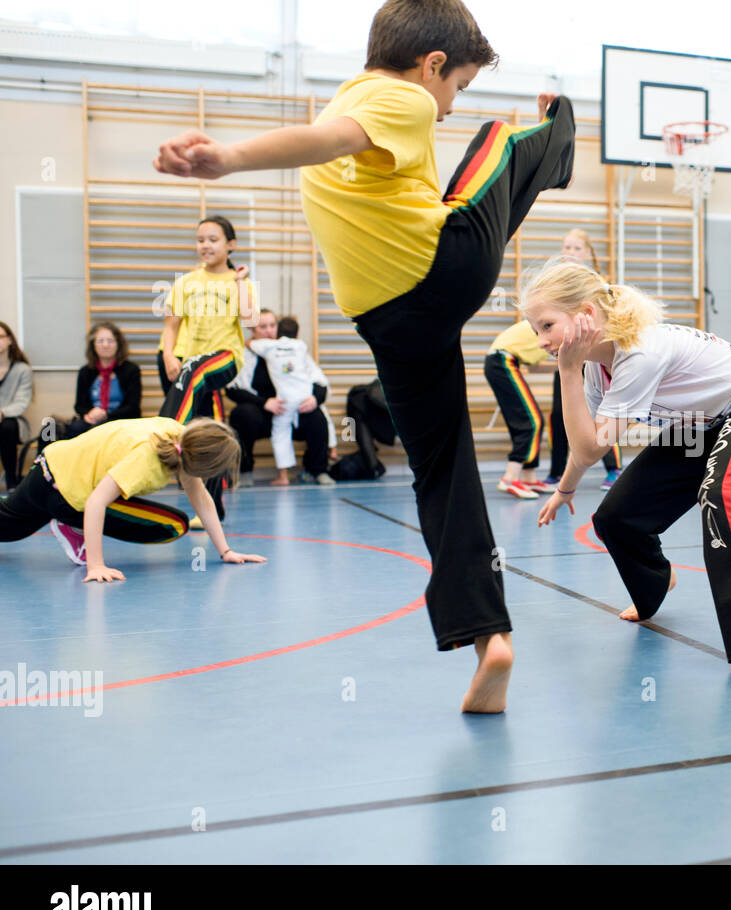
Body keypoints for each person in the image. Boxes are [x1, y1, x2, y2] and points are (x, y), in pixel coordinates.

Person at [153, 0, 575, 713]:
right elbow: (328, 139)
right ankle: (560, 127)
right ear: (432, 65)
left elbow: (327, 137)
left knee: (440, 471)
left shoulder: (350, 98)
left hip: (387, 322)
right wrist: (227, 158)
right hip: (448, 267)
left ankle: (486, 635)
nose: (447, 109)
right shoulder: (399, 97)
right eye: (457, 87)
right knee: (502, 139)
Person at [527, 259, 731, 688]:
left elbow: (593, 445)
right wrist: (566, 489)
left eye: (547, 326)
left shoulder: (638, 352)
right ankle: (656, 581)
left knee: (723, 494)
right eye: (536, 329)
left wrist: (566, 371)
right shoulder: (596, 366)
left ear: (586, 315)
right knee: (616, 518)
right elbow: (586, 444)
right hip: (699, 427)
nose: (540, 341)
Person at [0, 417, 265, 582]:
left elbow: (201, 498)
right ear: (203, 467)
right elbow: (95, 502)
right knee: (172, 525)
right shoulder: (147, 461)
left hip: (51, 468)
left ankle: (69, 519)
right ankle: (71, 523)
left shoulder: (177, 435)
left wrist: (226, 551)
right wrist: (96, 565)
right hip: (61, 492)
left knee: (8, 527)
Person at [158, 215, 258, 522]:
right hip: (183, 364)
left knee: (196, 369)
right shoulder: (186, 282)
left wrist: (239, 281)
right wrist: (168, 358)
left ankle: (163, 431)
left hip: (222, 358)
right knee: (207, 437)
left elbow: (248, 317)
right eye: (200, 240)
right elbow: (171, 326)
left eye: (213, 240)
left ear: (231, 245)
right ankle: (212, 509)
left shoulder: (240, 282)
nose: (205, 245)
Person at [547, 228, 621, 489]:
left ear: (589, 254)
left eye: (576, 248)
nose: (570, 252)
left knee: (601, 410)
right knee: (560, 413)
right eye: (566, 247)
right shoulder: (556, 284)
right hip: (568, 355)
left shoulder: (599, 284)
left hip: (593, 355)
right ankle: (556, 472)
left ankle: (613, 468)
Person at [233, 312, 334, 485]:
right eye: (263, 327)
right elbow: (233, 390)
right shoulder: (247, 354)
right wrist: (265, 403)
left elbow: (320, 382)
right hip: (263, 414)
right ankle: (245, 472)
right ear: (253, 330)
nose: (269, 331)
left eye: (273, 325)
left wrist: (314, 400)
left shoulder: (294, 350)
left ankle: (317, 470)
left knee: (316, 416)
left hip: (294, 409)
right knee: (242, 414)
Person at [483, 319, 553, 499]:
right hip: (503, 361)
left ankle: (529, 478)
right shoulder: (551, 326)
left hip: (500, 361)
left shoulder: (544, 328)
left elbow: (534, 368)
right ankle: (509, 478)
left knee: (524, 422)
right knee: (532, 422)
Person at [66, 322, 142, 440]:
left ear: (118, 344)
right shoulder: (85, 371)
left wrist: (106, 415)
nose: (105, 345)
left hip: (120, 420)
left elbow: (133, 407)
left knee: (99, 430)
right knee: (75, 428)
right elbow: (79, 406)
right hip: (93, 418)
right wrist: (89, 414)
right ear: (93, 345)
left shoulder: (131, 370)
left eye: (110, 341)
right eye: (100, 341)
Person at [0, 321, 33, 492]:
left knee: (7, 426)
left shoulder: (22, 369)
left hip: (12, 422)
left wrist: (2, 412)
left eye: (0, 336)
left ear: (9, 340)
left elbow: (22, 401)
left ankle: (12, 481)